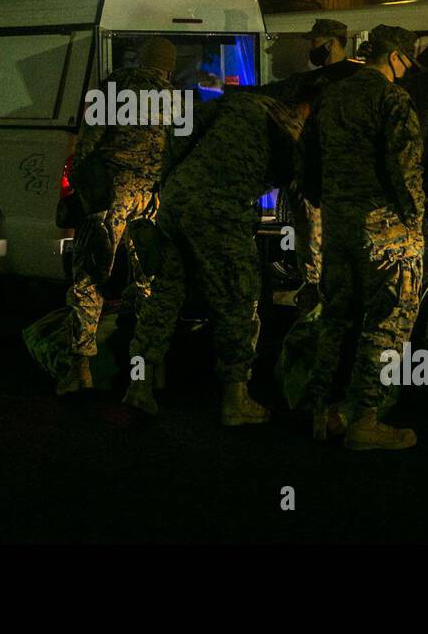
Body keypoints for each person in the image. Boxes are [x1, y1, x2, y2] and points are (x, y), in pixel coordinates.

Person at [123, 90, 311, 425]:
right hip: (219, 213)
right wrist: (312, 270)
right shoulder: (296, 139)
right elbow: (302, 212)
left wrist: (169, 180)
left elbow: (184, 127)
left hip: (178, 200)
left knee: (165, 293)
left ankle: (139, 385)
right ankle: (235, 399)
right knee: (239, 299)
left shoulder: (241, 101)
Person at [301, 24, 425, 451]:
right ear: (395, 57)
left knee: (337, 316)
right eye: (407, 61)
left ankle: (324, 413)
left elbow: (308, 166)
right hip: (383, 229)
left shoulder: (330, 96)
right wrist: (414, 224)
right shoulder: (391, 99)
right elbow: (405, 170)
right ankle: (365, 421)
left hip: (337, 224)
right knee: (387, 320)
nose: (407, 70)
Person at [57, 36, 177, 395]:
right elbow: (179, 150)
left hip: (110, 195)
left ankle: (80, 370)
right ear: (167, 66)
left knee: (90, 276)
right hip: (152, 199)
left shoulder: (115, 86)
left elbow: (88, 139)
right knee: (147, 281)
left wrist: (79, 183)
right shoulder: (177, 97)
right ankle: (147, 370)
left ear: (140, 59)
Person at [290, 19, 350, 313]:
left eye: (315, 42)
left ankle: (318, 298)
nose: (311, 48)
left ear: (331, 42)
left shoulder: (340, 80)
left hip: (328, 180)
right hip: (326, 180)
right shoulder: (334, 79)